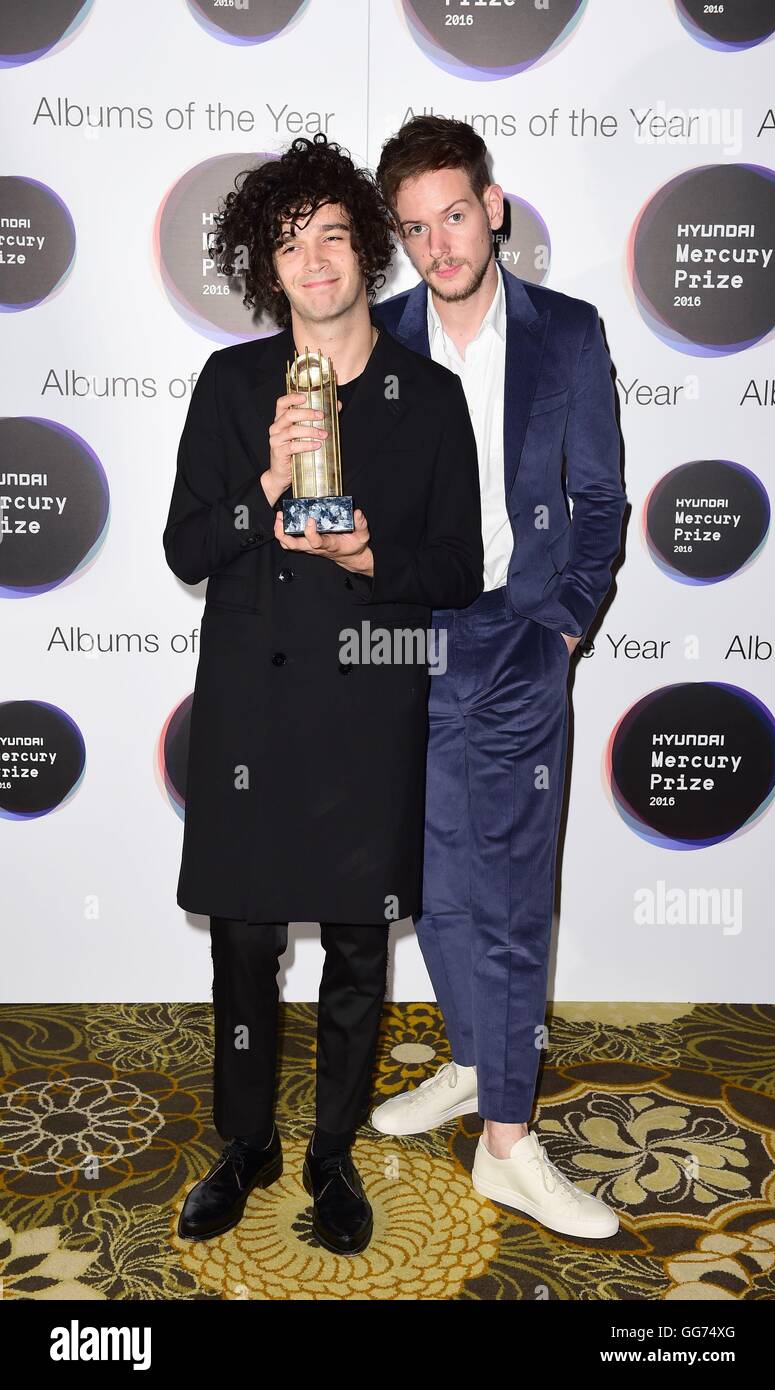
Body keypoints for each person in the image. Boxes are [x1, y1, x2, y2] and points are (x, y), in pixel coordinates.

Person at [163, 133, 483, 1256]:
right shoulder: (229, 383)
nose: (313, 263)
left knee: (357, 947)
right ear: (267, 266)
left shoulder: (428, 397)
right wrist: (261, 482)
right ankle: (243, 1143)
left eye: (332, 237)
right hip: (254, 701)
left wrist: (367, 562)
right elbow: (185, 548)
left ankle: (330, 1153)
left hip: (369, 703)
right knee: (244, 942)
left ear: (365, 252)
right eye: (288, 245)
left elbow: (458, 566)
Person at [369, 116, 627, 1240]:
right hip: (405, 642)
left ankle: (509, 1143)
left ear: (495, 207)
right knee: (433, 879)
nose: (438, 244)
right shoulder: (370, 341)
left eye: (454, 215)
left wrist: (562, 632)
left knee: (514, 896)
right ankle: (472, 1061)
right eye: (415, 228)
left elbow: (602, 506)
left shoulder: (565, 335)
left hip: (520, 637)